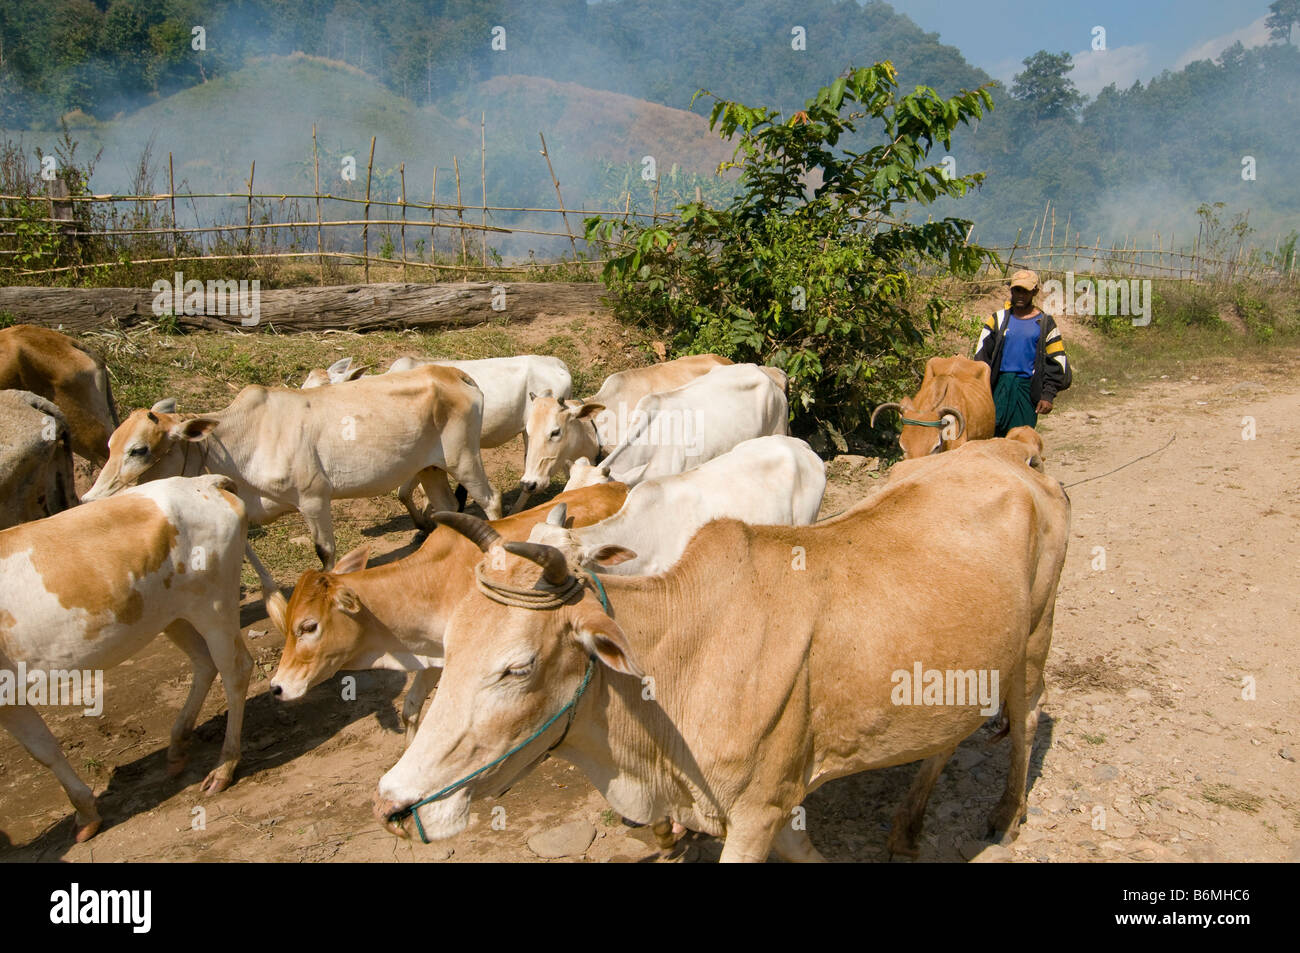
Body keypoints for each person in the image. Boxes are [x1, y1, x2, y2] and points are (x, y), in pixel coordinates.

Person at [974, 269, 1071, 437]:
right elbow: (981, 358)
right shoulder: (997, 320)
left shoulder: (1045, 323)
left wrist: (1047, 394)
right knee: (991, 440)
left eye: (1025, 291)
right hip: (998, 389)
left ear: (1035, 292)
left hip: (1026, 392)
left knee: (1021, 442)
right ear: (1011, 290)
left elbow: (1056, 362)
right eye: (1016, 290)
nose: (1020, 295)